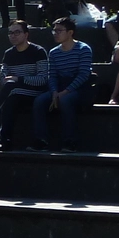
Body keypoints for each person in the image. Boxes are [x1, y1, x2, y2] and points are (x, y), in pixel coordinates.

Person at [33, 17, 94, 152]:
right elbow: (52, 75)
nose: (55, 33)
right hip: (60, 86)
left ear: (70, 32)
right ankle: (41, 140)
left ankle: (70, 141)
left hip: (80, 88)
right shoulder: (54, 52)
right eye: (54, 31)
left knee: (65, 101)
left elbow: (83, 75)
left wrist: (65, 92)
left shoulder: (83, 49)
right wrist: (54, 92)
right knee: (40, 101)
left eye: (59, 31)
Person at [0, 21, 49, 151]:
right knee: (11, 96)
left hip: (36, 92)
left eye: (17, 32)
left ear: (26, 34)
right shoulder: (8, 54)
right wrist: (11, 81)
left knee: (11, 90)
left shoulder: (38, 51)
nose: (13, 36)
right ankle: (5, 140)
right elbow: (3, 77)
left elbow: (43, 79)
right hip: (14, 92)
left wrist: (19, 79)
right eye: (10, 33)